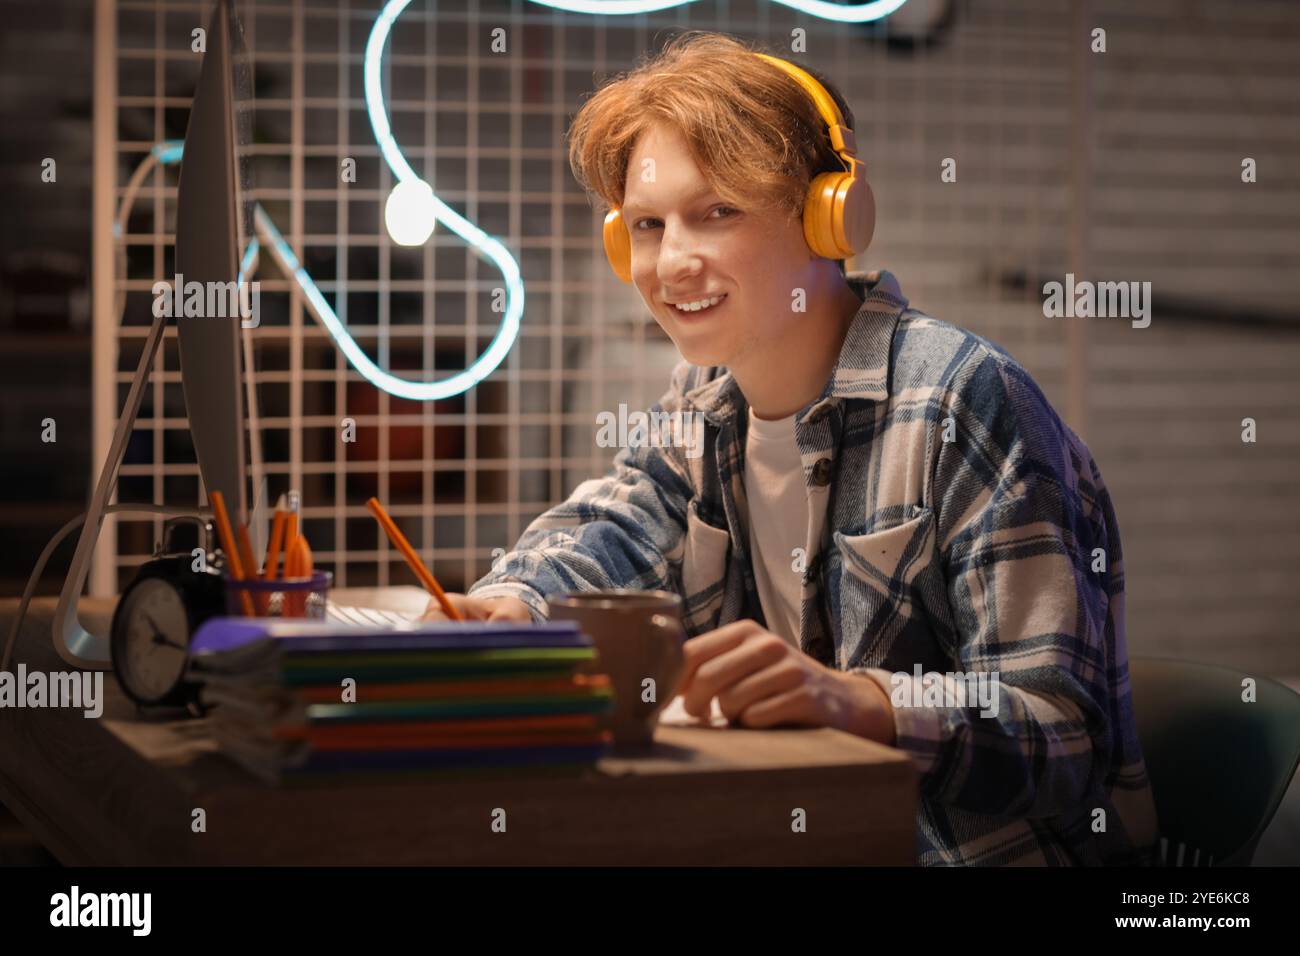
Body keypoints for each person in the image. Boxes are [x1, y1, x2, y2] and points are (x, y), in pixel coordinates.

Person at [426, 31, 1158, 866]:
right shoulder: (707, 403)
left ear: (831, 215)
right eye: (647, 225)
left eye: (718, 213)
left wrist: (857, 703)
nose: (670, 262)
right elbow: (617, 527)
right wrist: (514, 600)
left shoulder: (963, 397)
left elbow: (1062, 733)